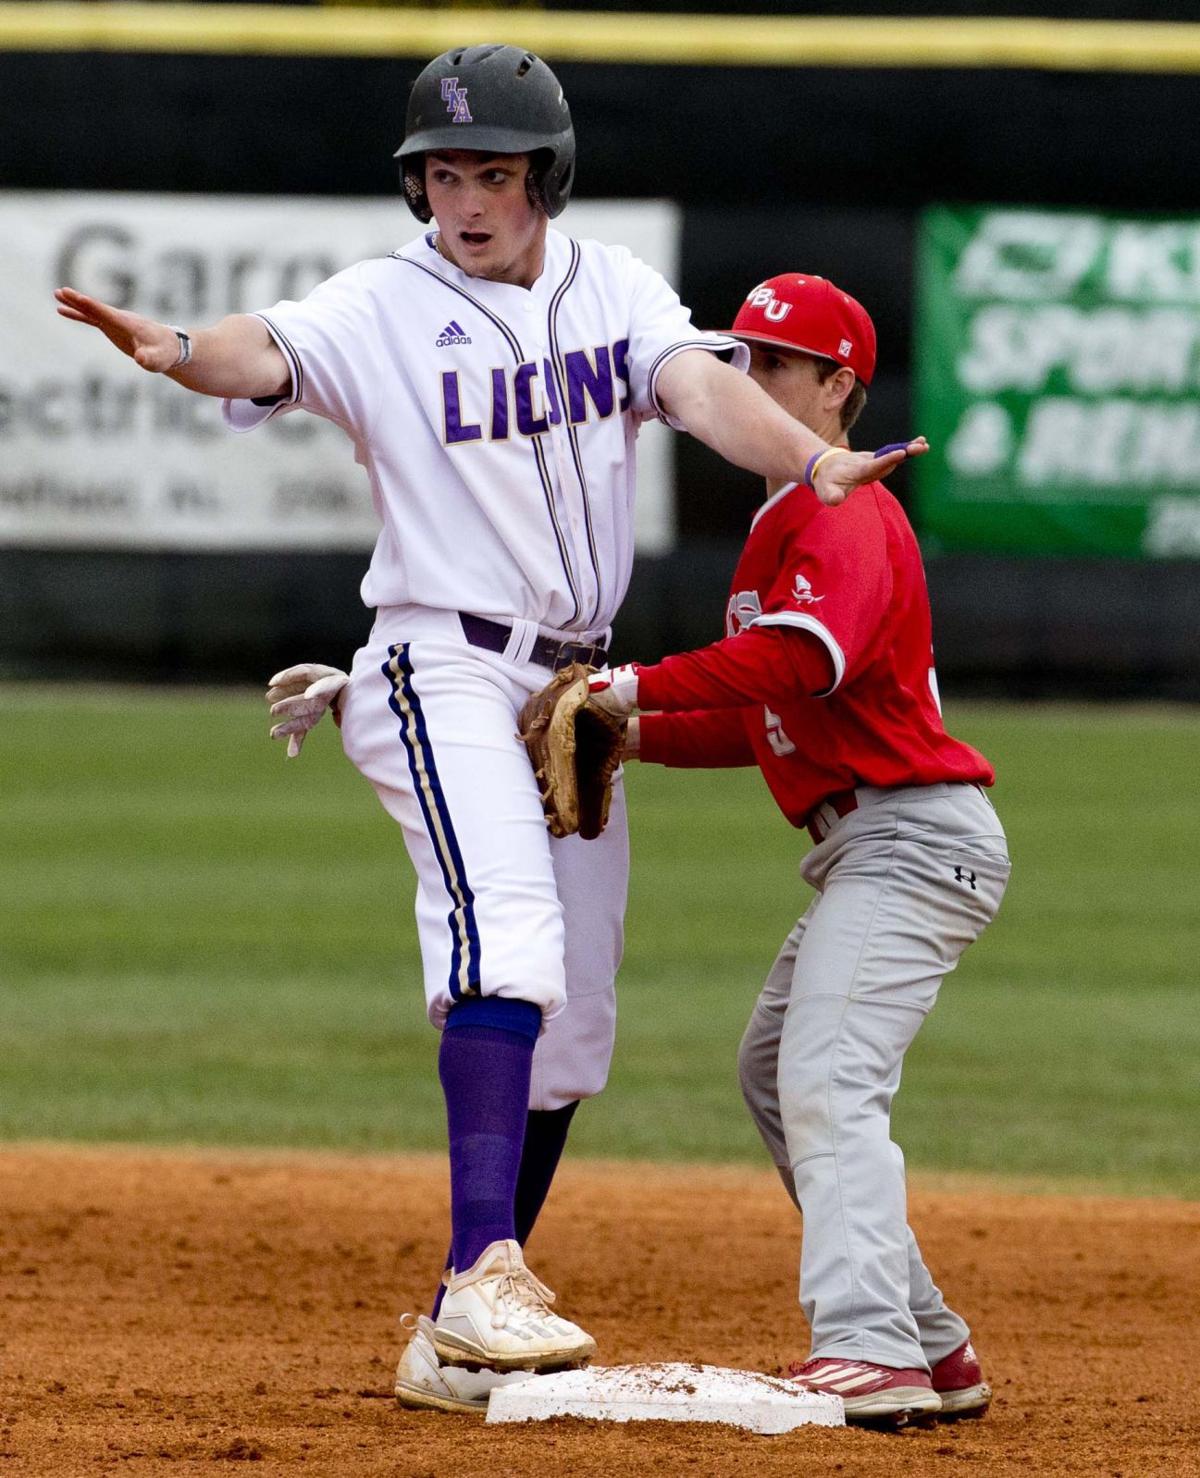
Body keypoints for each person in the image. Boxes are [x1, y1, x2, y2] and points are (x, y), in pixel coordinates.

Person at [53, 44, 924, 1416]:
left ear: (545, 180)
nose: (466, 200)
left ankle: (454, 1333)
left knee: (572, 1024)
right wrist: (175, 350)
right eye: (444, 174)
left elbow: (701, 390)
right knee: (505, 934)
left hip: (568, 689)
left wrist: (809, 458)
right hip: (445, 664)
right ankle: (481, 1274)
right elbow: (264, 349)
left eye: (495, 174)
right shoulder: (383, 305)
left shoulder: (614, 289)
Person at [586, 272, 1010, 1428]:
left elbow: (796, 659)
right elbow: (764, 718)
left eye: (776, 363)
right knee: (777, 1070)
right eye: (737, 360)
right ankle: (930, 1343)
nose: (748, 378)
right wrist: (636, 735)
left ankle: (869, 1344)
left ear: (838, 387)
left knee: (826, 1078)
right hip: (874, 840)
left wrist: (626, 685)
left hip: (913, 836)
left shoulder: (843, 508)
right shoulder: (785, 519)